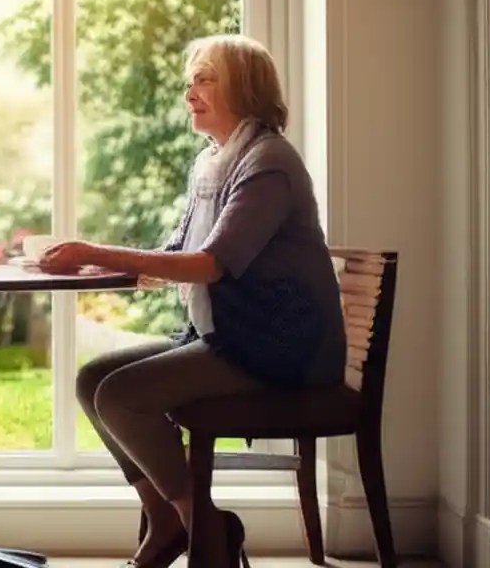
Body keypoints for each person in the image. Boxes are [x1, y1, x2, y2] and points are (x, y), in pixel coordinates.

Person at [40, 35, 345, 567]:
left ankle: (205, 528)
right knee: (94, 381)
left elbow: (210, 262)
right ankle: (168, 523)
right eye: (191, 80)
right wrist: (101, 264)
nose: (191, 91)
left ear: (245, 88)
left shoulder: (267, 162)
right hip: (231, 336)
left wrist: (99, 249)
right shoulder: (215, 160)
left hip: (277, 348)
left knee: (120, 396)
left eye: (206, 78)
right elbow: (179, 251)